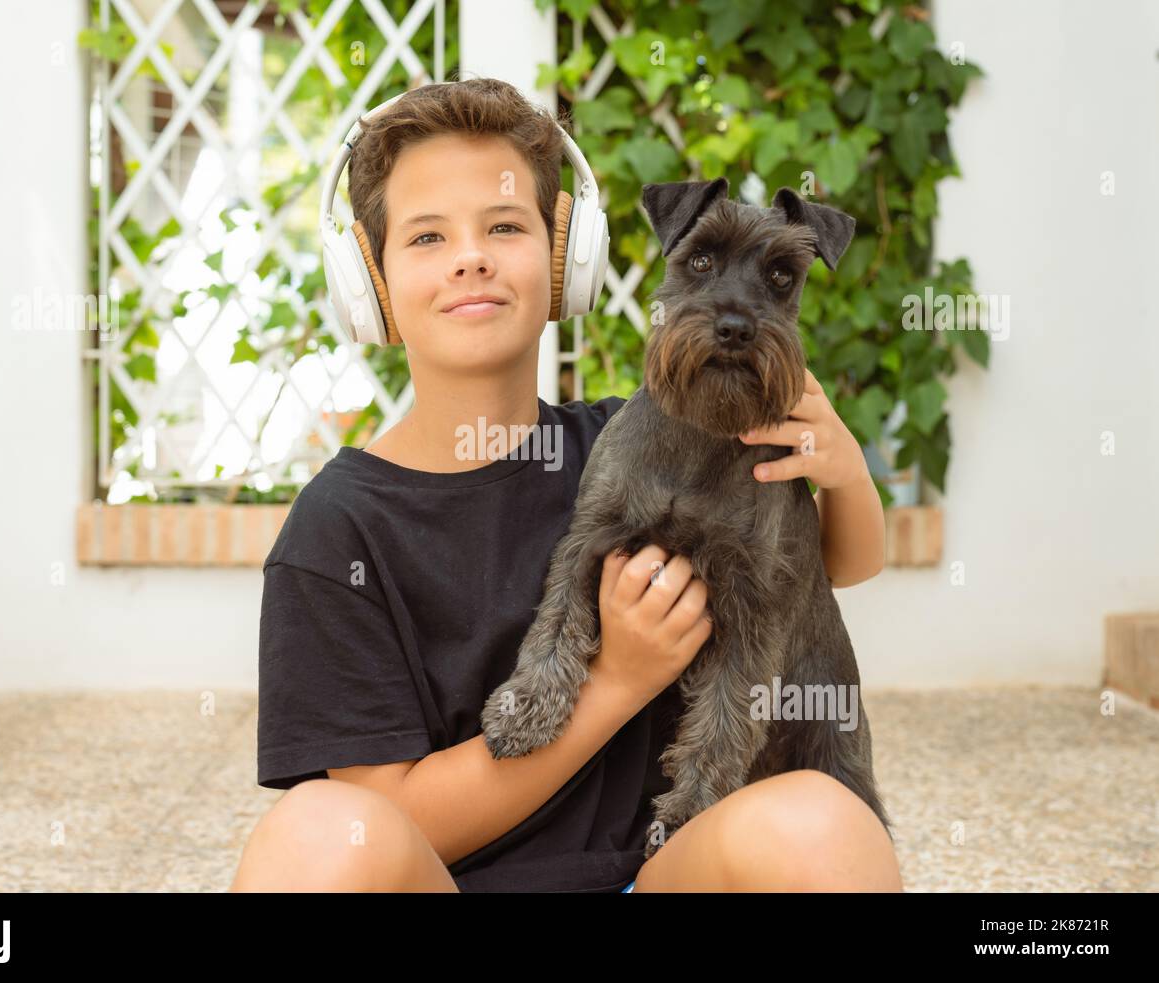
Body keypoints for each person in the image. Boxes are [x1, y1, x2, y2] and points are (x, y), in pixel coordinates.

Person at [229, 78, 902, 893]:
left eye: (504, 225)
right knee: (312, 832)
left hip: (656, 877)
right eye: (427, 237)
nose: (469, 256)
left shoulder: (647, 448)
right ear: (368, 282)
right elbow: (387, 820)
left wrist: (844, 471)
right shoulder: (337, 532)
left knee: (821, 820)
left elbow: (836, 566)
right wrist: (616, 681)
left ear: (565, 259)